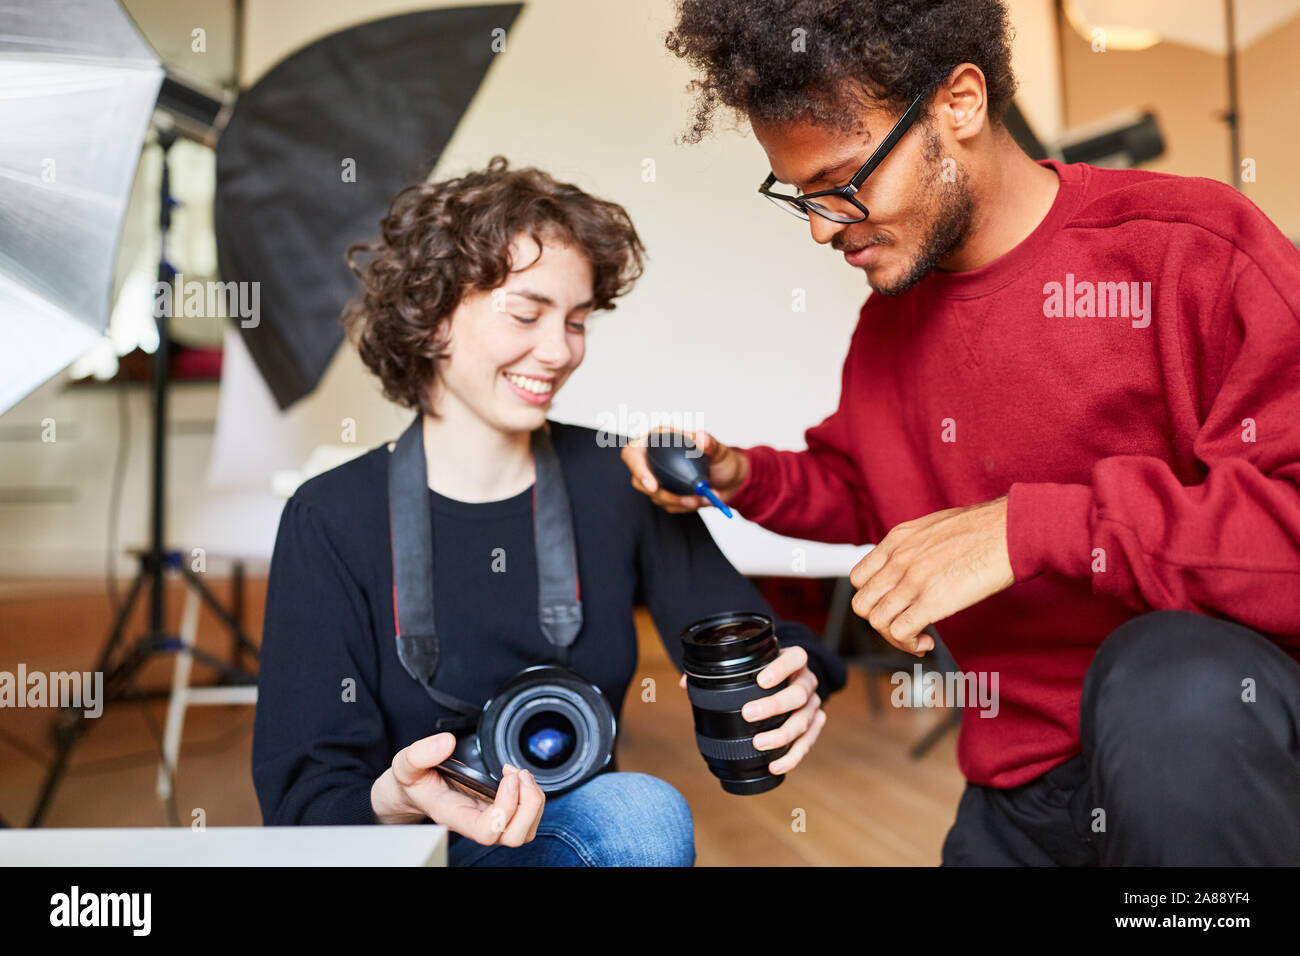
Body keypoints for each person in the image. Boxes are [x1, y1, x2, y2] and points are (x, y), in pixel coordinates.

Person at [622, 0, 1300, 865]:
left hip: (1215, 749)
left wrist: (1031, 528)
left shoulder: (1191, 252)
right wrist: (742, 475)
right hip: (1023, 789)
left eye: (844, 182)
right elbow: (872, 487)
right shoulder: (891, 321)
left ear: (961, 103)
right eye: (803, 200)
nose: (827, 228)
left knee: (1172, 676)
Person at [251, 156, 846, 866]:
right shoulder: (331, 517)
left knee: (638, 815)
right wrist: (400, 798)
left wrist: (796, 673)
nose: (560, 351)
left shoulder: (616, 477)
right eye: (527, 313)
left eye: (578, 321)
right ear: (433, 317)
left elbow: (748, 635)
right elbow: (303, 806)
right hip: (414, 852)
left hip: (579, 839)